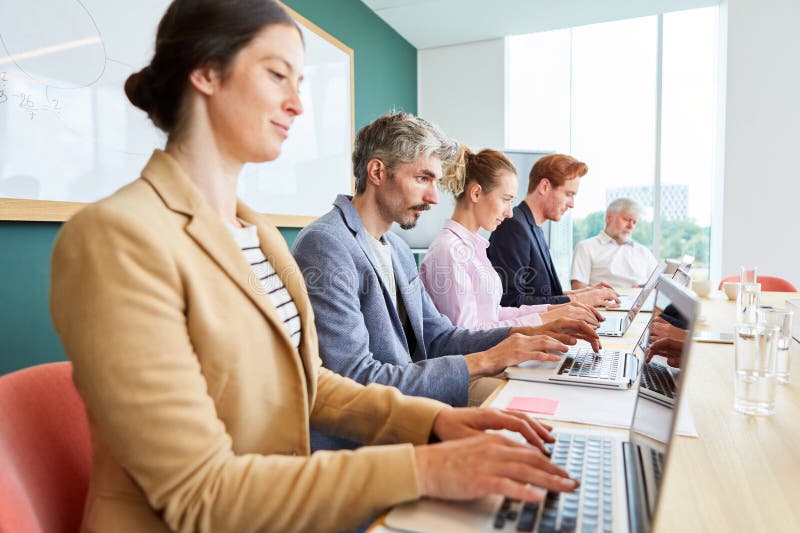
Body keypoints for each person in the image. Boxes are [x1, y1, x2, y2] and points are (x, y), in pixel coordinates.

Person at [48, 2, 579, 532]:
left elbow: (313, 385)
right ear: (206, 73)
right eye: (277, 75)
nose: (298, 104)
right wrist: (423, 468)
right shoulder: (117, 238)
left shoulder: (255, 234)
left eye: (300, 82)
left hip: (287, 494)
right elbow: (199, 492)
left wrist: (436, 421)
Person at [293, 112, 601, 449]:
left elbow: (439, 336)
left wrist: (522, 334)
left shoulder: (396, 247)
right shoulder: (327, 244)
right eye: (422, 178)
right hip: (369, 439)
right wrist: (486, 359)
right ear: (377, 172)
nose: (434, 198)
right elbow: (355, 379)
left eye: (435, 181)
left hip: (411, 409)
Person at [419, 146, 603, 330]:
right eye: (505, 199)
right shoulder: (449, 250)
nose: (509, 212)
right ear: (476, 194)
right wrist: (548, 318)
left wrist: (555, 311)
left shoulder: (472, 248)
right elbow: (465, 335)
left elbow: (495, 313)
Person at [487, 153, 621, 308]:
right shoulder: (514, 227)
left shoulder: (532, 227)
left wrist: (584, 294)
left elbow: (541, 295)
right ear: (544, 186)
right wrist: (580, 299)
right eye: (568, 194)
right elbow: (510, 302)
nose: (572, 204)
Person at [570, 197, 659, 290]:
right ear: (609, 218)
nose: (631, 226)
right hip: (605, 299)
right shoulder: (586, 247)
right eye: (627, 219)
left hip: (639, 298)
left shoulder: (644, 252)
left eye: (634, 222)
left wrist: (645, 288)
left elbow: (659, 283)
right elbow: (578, 289)